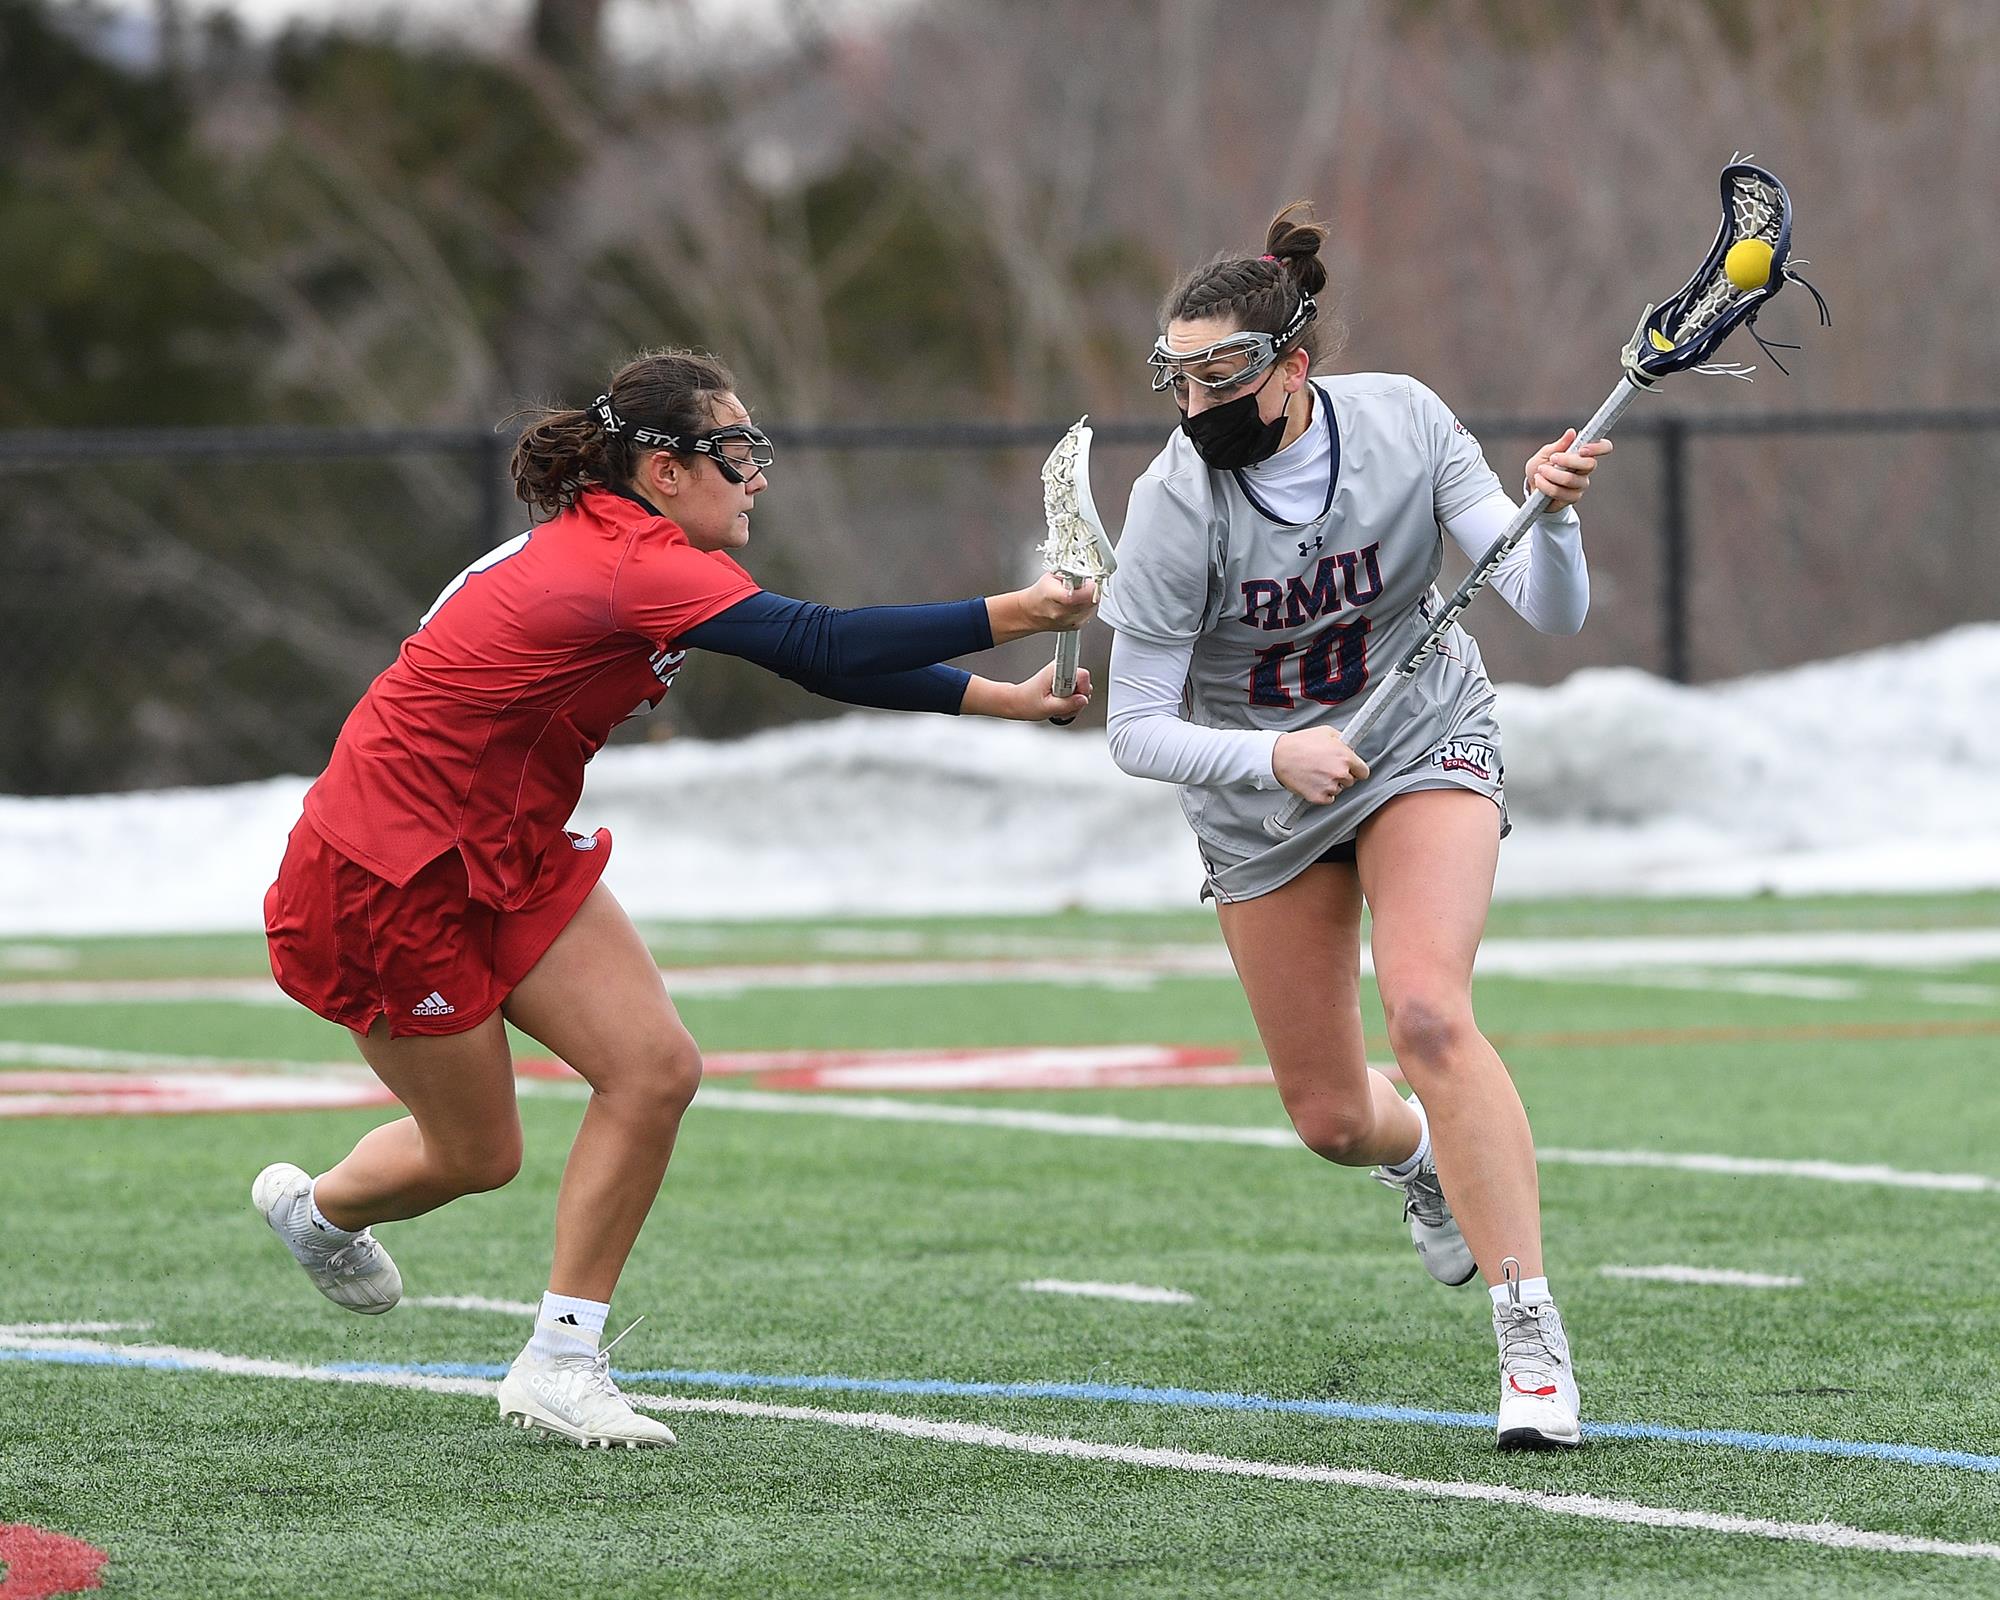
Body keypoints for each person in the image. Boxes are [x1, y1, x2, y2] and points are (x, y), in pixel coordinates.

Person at [255, 347, 1097, 1449]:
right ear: (660, 468)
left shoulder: (638, 550)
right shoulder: (626, 563)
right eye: (735, 452)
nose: (755, 475)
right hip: (387, 871)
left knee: (655, 1069)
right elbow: (821, 645)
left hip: (508, 844)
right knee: (475, 1156)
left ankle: (560, 1356)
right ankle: (317, 1212)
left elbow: (814, 660)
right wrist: (1018, 610)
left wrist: (999, 697)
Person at [1099, 204, 1610, 1451]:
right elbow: (1134, 727)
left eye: (1220, 374)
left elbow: (1548, 610)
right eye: (1177, 376)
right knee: (1331, 1117)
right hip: (1258, 796)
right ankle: (1416, 1156)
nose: (1194, 401)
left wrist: (1551, 515)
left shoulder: (1401, 422)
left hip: (1418, 736)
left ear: (1291, 364)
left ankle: (1530, 1341)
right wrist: (1272, 752)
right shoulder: (1173, 503)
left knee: (1429, 1011)